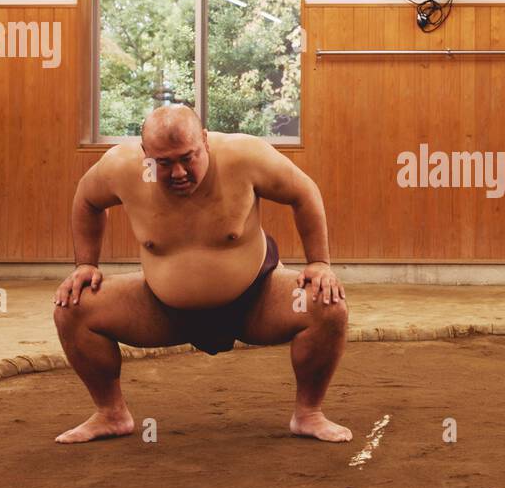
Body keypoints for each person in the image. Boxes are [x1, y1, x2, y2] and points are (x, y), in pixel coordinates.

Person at [52, 105, 351, 444]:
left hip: (256, 301)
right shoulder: (120, 168)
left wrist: (320, 263)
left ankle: (309, 413)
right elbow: (87, 200)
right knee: (72, 307)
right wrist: (86, 265)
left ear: (205, 141)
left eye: (187, 157)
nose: (178, 172)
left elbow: (304, 191)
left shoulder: (244, 156)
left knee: (327, 305)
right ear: (145, 154)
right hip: (161, 310)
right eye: (163, 163)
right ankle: (110, 414)